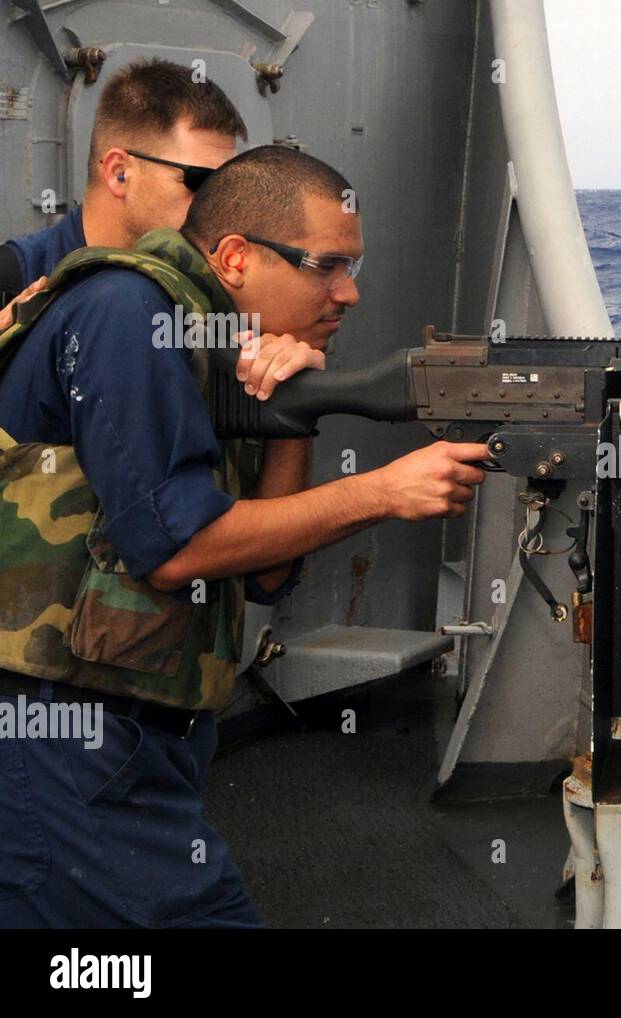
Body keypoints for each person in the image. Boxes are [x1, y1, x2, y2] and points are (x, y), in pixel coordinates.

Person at [0, 144, 491, 928]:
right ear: (233, 257)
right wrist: (383, 492)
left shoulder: (205, 338)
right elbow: (177, 551)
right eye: (325, 266)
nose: (350, 292)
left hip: (131, 735)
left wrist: (293, 409)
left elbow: (265, 576)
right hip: (59, 738)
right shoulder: (129, 314)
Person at [0, 57, 246, 329]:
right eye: (200, 181)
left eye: (227, 185)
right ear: (119, 173)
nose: (219, 205)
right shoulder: (13, 281)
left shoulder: (229, 287)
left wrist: (283, 359)